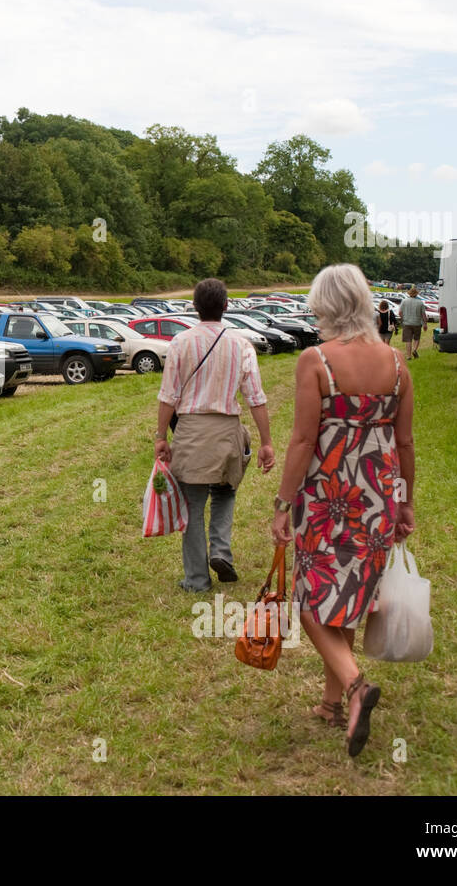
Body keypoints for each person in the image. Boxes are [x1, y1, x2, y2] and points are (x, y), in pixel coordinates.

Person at [271, 263, 416, 758]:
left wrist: (282, 503)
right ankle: (333, 706)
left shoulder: (316, 360)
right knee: (348, 595)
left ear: (326, 306)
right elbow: (406, 440)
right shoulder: (397, 363)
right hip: (376, 495)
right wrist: (405, 502)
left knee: (312, 600)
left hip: (328, 494)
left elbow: (304, 439)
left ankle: (354, 685)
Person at [155, 278, 275, 592]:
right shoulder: (242, 344)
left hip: (191, 431)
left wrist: (160, 437)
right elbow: (256, 398)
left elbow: (168, 395)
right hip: (228, 432)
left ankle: (196, 580)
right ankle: (220, 550)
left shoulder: (180, 342)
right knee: (225, 491)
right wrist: (266, 442)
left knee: (193, 506)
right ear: (225, 306)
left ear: (195, 307)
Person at [398, 286, 426, 360]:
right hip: (417, 323)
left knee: (408, 340)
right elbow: (423, 315)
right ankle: (414, 350)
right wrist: (425, 324)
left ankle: (408, 356)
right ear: (416, 294)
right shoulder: (420, 302)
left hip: (407, 323)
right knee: (417, 338)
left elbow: (400, 313)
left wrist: (403, 319)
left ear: (409, 294)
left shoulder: (404, 301)